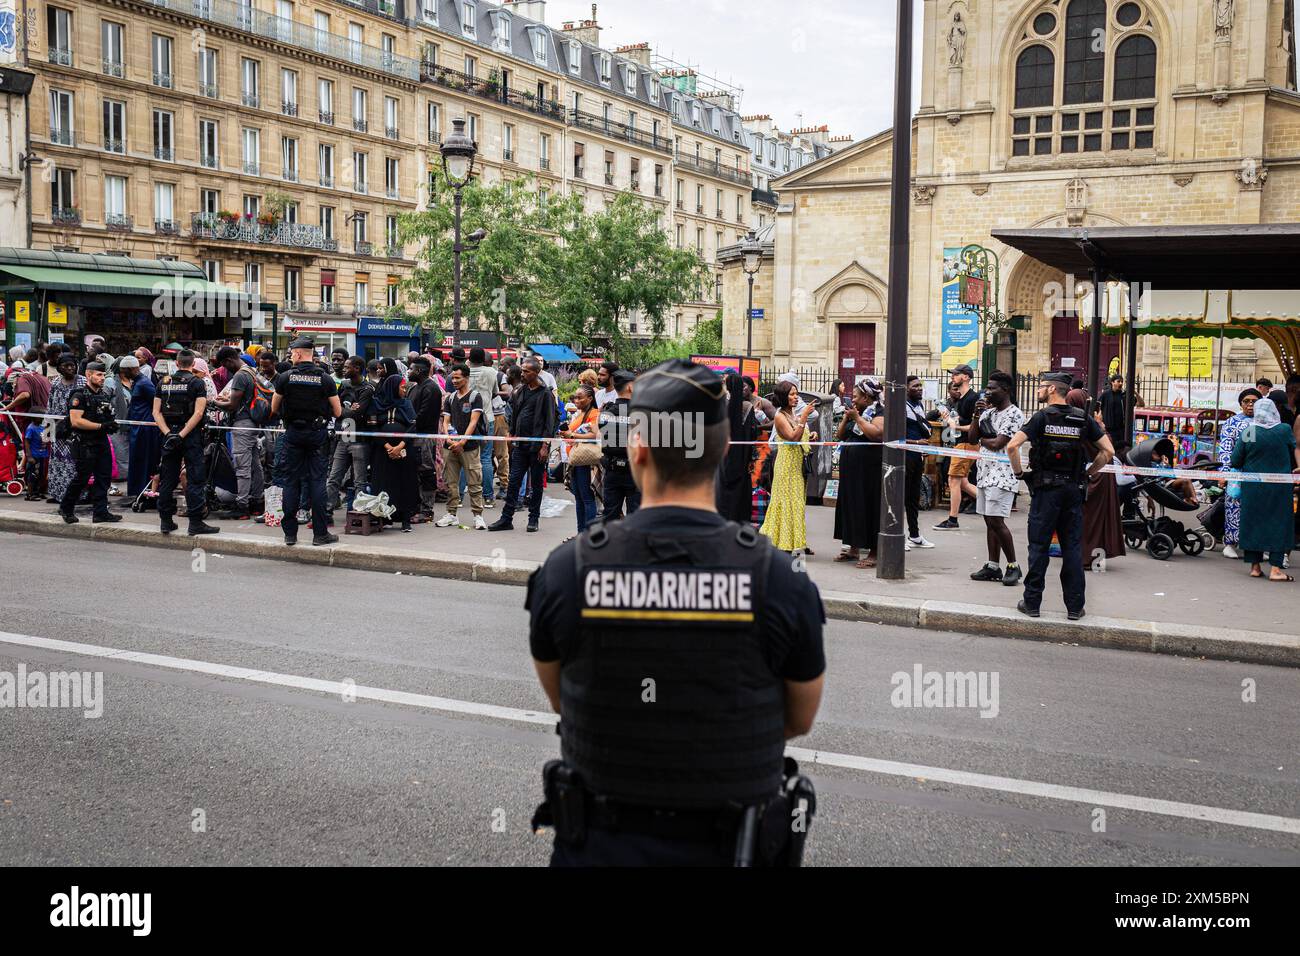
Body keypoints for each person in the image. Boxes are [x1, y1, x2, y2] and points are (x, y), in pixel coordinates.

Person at [526, 358, 825, 867]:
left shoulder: (567, 571)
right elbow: (798, 718)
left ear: (637, 448)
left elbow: (563, 699)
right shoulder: (779, 579)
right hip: (733, 848)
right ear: (725, 447)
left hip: (602, 846)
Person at [1005, 371, 1114, 620]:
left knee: (1039, 547)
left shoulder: (1041, 418)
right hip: (1073, 490)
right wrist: (1088, 473)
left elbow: (1012, 446)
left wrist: (1020, 473)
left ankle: (1032, 603)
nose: (1038, 391)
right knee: (1072, 548)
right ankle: (1075, 607)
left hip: (1045, 492)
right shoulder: (1082, 419)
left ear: (1052, 389)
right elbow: (1107, 451)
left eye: (1041, 386)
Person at [271, 337, 341, 546]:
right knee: (317, 483)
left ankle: (290, 534)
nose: (291, 356)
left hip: (293, 433)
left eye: (293, 353)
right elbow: (338, 411)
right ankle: (320, 534)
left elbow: (274, 408)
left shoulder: (285, 377)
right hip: (316, 434)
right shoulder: (325, 379)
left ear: (299, 354)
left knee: (291, 482)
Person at [1230, 398, 1299, 581]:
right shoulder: (1283, 429)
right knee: (1279, 523)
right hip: (1280, 488)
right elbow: (1294, 447)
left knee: (1253, 522)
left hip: (1253, 487)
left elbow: (1236, 460)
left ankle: (1255, 566)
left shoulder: (1250, 431)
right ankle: (1276, 569)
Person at [152, 350, 219, 536]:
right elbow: (198, 413)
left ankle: (166, 521)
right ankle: (195, 523)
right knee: (196, 479)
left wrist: (169, 434)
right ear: (193, 364)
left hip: (169, 435)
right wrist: (181, 435)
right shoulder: (197, 383)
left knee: (168, 479)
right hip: (189, 436)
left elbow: (156, 412)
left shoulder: (163, 382)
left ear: (177, 362)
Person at [968, 371, 1025, 586]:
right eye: (988, 388)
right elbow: (973, 438)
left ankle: (1013, 566)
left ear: (1006, 390)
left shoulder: (1014, 414)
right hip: (984, 473)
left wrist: (985, 439)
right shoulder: (987, 413)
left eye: (993, 388)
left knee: (997, 521)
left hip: (1002, 475)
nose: (988, 392)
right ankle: (993, 566)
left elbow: (999, 443)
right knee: (988, 521)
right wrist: (976, 417)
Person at [489, 357, 556, 533]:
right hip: (520, 446)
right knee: (513, 482)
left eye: (527, 371)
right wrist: (511, 434)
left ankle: (533, 519)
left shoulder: (545, 393)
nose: (523, 374)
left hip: (537, 446)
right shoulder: (519, 392)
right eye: (523, 370)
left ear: (536, 372)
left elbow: (550, 422)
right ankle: (506, 518)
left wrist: (545, 446)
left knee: (536, 485)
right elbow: (515, 415)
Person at [58, 362, 124, 525]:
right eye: (99, 375)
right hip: (84, 442)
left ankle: (100, 512)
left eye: (103, 375)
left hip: (101, 441)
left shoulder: (102, 394)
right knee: (82, 478)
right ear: (89, 375)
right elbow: (76, 421)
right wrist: (101, 426)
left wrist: (110, 424)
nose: (102, 378)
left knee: (104, 477)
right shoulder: (79, 395)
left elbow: (105, 414)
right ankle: (66, 508)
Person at [1068, 388, 1126, 564]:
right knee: (1093, 519)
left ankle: (1087, 555)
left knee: (1089, 519)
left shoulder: (1082, 423)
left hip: (1095, 474)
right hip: (1098, 473)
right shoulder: (1089, 423)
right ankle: (1090, 555)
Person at [760, 379, 817, 555]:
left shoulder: (792, 414)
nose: (796, 397)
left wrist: (811, 434)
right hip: (786, 466)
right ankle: (779, 543)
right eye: (792, 394)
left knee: (796, 503)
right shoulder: (779, 416)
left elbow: (800, 435)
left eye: (796, 393)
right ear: (784, 397)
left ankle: (790, 542)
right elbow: (792, 438)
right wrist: (805, 417)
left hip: (797, 466)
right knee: (785, 503)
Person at [833, 381, 883, 569]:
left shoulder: (879, 412)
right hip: (851, 470)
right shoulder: (857, 412)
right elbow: (840, 435)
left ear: (866, 397)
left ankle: (874, 552)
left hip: (869, 470)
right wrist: (848, 418)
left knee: (868, 506)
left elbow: (876, 434)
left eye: (855, 396)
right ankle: (853, 547)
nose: (852, 399)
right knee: (851, 506)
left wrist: (858, 418)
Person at [214, 350, 265, 520]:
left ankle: (242, 506)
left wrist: (215, 402)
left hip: (242, 424)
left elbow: (232, 405)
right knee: (255, 464)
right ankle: (257, 503)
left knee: (242, 466)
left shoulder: (240, 376)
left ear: (228, 361)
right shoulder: (251, 370)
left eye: (224, 365)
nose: (224, 369)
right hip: (253, 423)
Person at [436, 363, 488, 531]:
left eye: (458, 377)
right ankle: (451, 514)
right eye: (453, 377)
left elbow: (474, 421)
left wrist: (462, 442)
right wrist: (449, 439)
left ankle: (478, 516)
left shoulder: (475, 397)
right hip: (450, 446)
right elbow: (446, 421)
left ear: (466, 378)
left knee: (474, 481)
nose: (454, 380)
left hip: (470, 446)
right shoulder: (450, 398)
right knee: (451, 482)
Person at [367, 372, 420, 532]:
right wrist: (388, 446)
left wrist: (400, 446)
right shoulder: (376, 404)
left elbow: (413, 425)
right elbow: (373, 427)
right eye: (402, 387)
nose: (404, 390)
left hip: (403, 451)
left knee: (405, 483)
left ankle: (405, 519)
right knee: (384, 483)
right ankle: (385, 517)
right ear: (392, 388)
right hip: (382, 452)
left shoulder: (406, 404)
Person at [1217, 388, 1262, 560]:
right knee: (1234, 507)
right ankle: (1230, 544)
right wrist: (1225, 473)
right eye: (1246, 401)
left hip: (1260, 472)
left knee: (1258, 508)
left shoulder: (1265, 421)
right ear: (1241, 403)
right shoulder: (1232, 422)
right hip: (1238, 471)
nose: (1250, 404)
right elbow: (1225, 449)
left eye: (1254, 401)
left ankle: (1256, 544)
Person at [326, 356, 374, 514]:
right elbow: (335, 409)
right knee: (334, 477)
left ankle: (359, 513)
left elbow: (358, 414)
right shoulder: (344, 385)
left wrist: (347, 412)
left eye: (347, 367)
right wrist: (348, 411)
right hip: (345, 435)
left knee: (359, 479)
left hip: (359, 439)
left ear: (357, 369)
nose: (344, 369)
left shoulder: (367, 389)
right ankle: (327, 511)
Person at [934, 364, 978, 530]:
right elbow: (962, 421)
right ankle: (991, 504)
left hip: (967, 444)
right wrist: (950, 418)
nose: (953, 377)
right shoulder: (962, 398)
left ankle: (953, 520)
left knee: (953, 480)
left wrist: (954, 425)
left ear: (966, 377)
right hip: (962, 443)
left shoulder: (972, 398)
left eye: (956, 374)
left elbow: (976, 427)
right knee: (963, 483)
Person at [597, 369, 639, 522]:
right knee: (635, 517)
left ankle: (611, 545)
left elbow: (601, 434)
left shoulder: (607, 413)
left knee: (610, 516)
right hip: (634, 471)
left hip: (612, 470)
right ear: (630, 387)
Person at [715, 371, 756, 523]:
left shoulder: (720, 405)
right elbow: (753, 433)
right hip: (742, 457)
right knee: (740, 492)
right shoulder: (747, 407)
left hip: (723, 456)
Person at [560, 383, 600, 538]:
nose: (576, 400)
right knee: (579, 498)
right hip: (575, 460)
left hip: (585, 460)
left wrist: (572, 436)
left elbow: (595, 435)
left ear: (590, 398)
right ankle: (580, 533)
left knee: (587, 498)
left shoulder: (595, 413)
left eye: (580, 397)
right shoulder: (579, 413)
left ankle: (587, 535)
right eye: (575, 397)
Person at [406, 356, 443, 520]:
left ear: (419, 371)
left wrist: (410, 426)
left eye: (412, 369)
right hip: (413, 436)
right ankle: (417, 506)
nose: (409, 371)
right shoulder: (414, 388)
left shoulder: (431, 389)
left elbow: (423, 416)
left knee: (426, 471)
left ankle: (427, 510)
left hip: (424, 438)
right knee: (414, 473)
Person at [46, 352, 85, 505]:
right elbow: (50, 406)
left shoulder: (82, 382)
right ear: (59, 368)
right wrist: (48, 433)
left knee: (75, 463)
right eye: (66, 366)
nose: (70, 368)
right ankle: (58, 494)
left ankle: (77, 496)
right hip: (58, 430)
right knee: (57, 462)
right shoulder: (55, 383)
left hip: (76, 429)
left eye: (72, 365)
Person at [903, 376, 935, 550]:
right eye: (915, 386)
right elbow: (894, 436)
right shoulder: (901, 407)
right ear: (906, 389)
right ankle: (897, 534)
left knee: (913, 497)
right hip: (905, 457)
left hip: (917, 457)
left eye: (920, 385)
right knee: (901, 496)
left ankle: (914, 535)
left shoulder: (919, 405)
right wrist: (915, 443)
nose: (920, 388)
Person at [466, 348, 498, 509]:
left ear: (469, 358)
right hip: (487, 418)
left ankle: (458, 496)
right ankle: (488, 497)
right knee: (486, 457)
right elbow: (495, 393)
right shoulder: (492, 372)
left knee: (462, 456)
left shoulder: (464, 371)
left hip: (466, 418)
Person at [1099, 373, 1130, 453]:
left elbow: (1140, 404)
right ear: (1112, 382)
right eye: (1118, 381)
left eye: (1122, 382)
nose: (1121, 383)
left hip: (1120, 428)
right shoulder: (1106, 394)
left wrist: (1135, 393)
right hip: (1109, 428)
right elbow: (1098, 406)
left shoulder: (1123, 395)